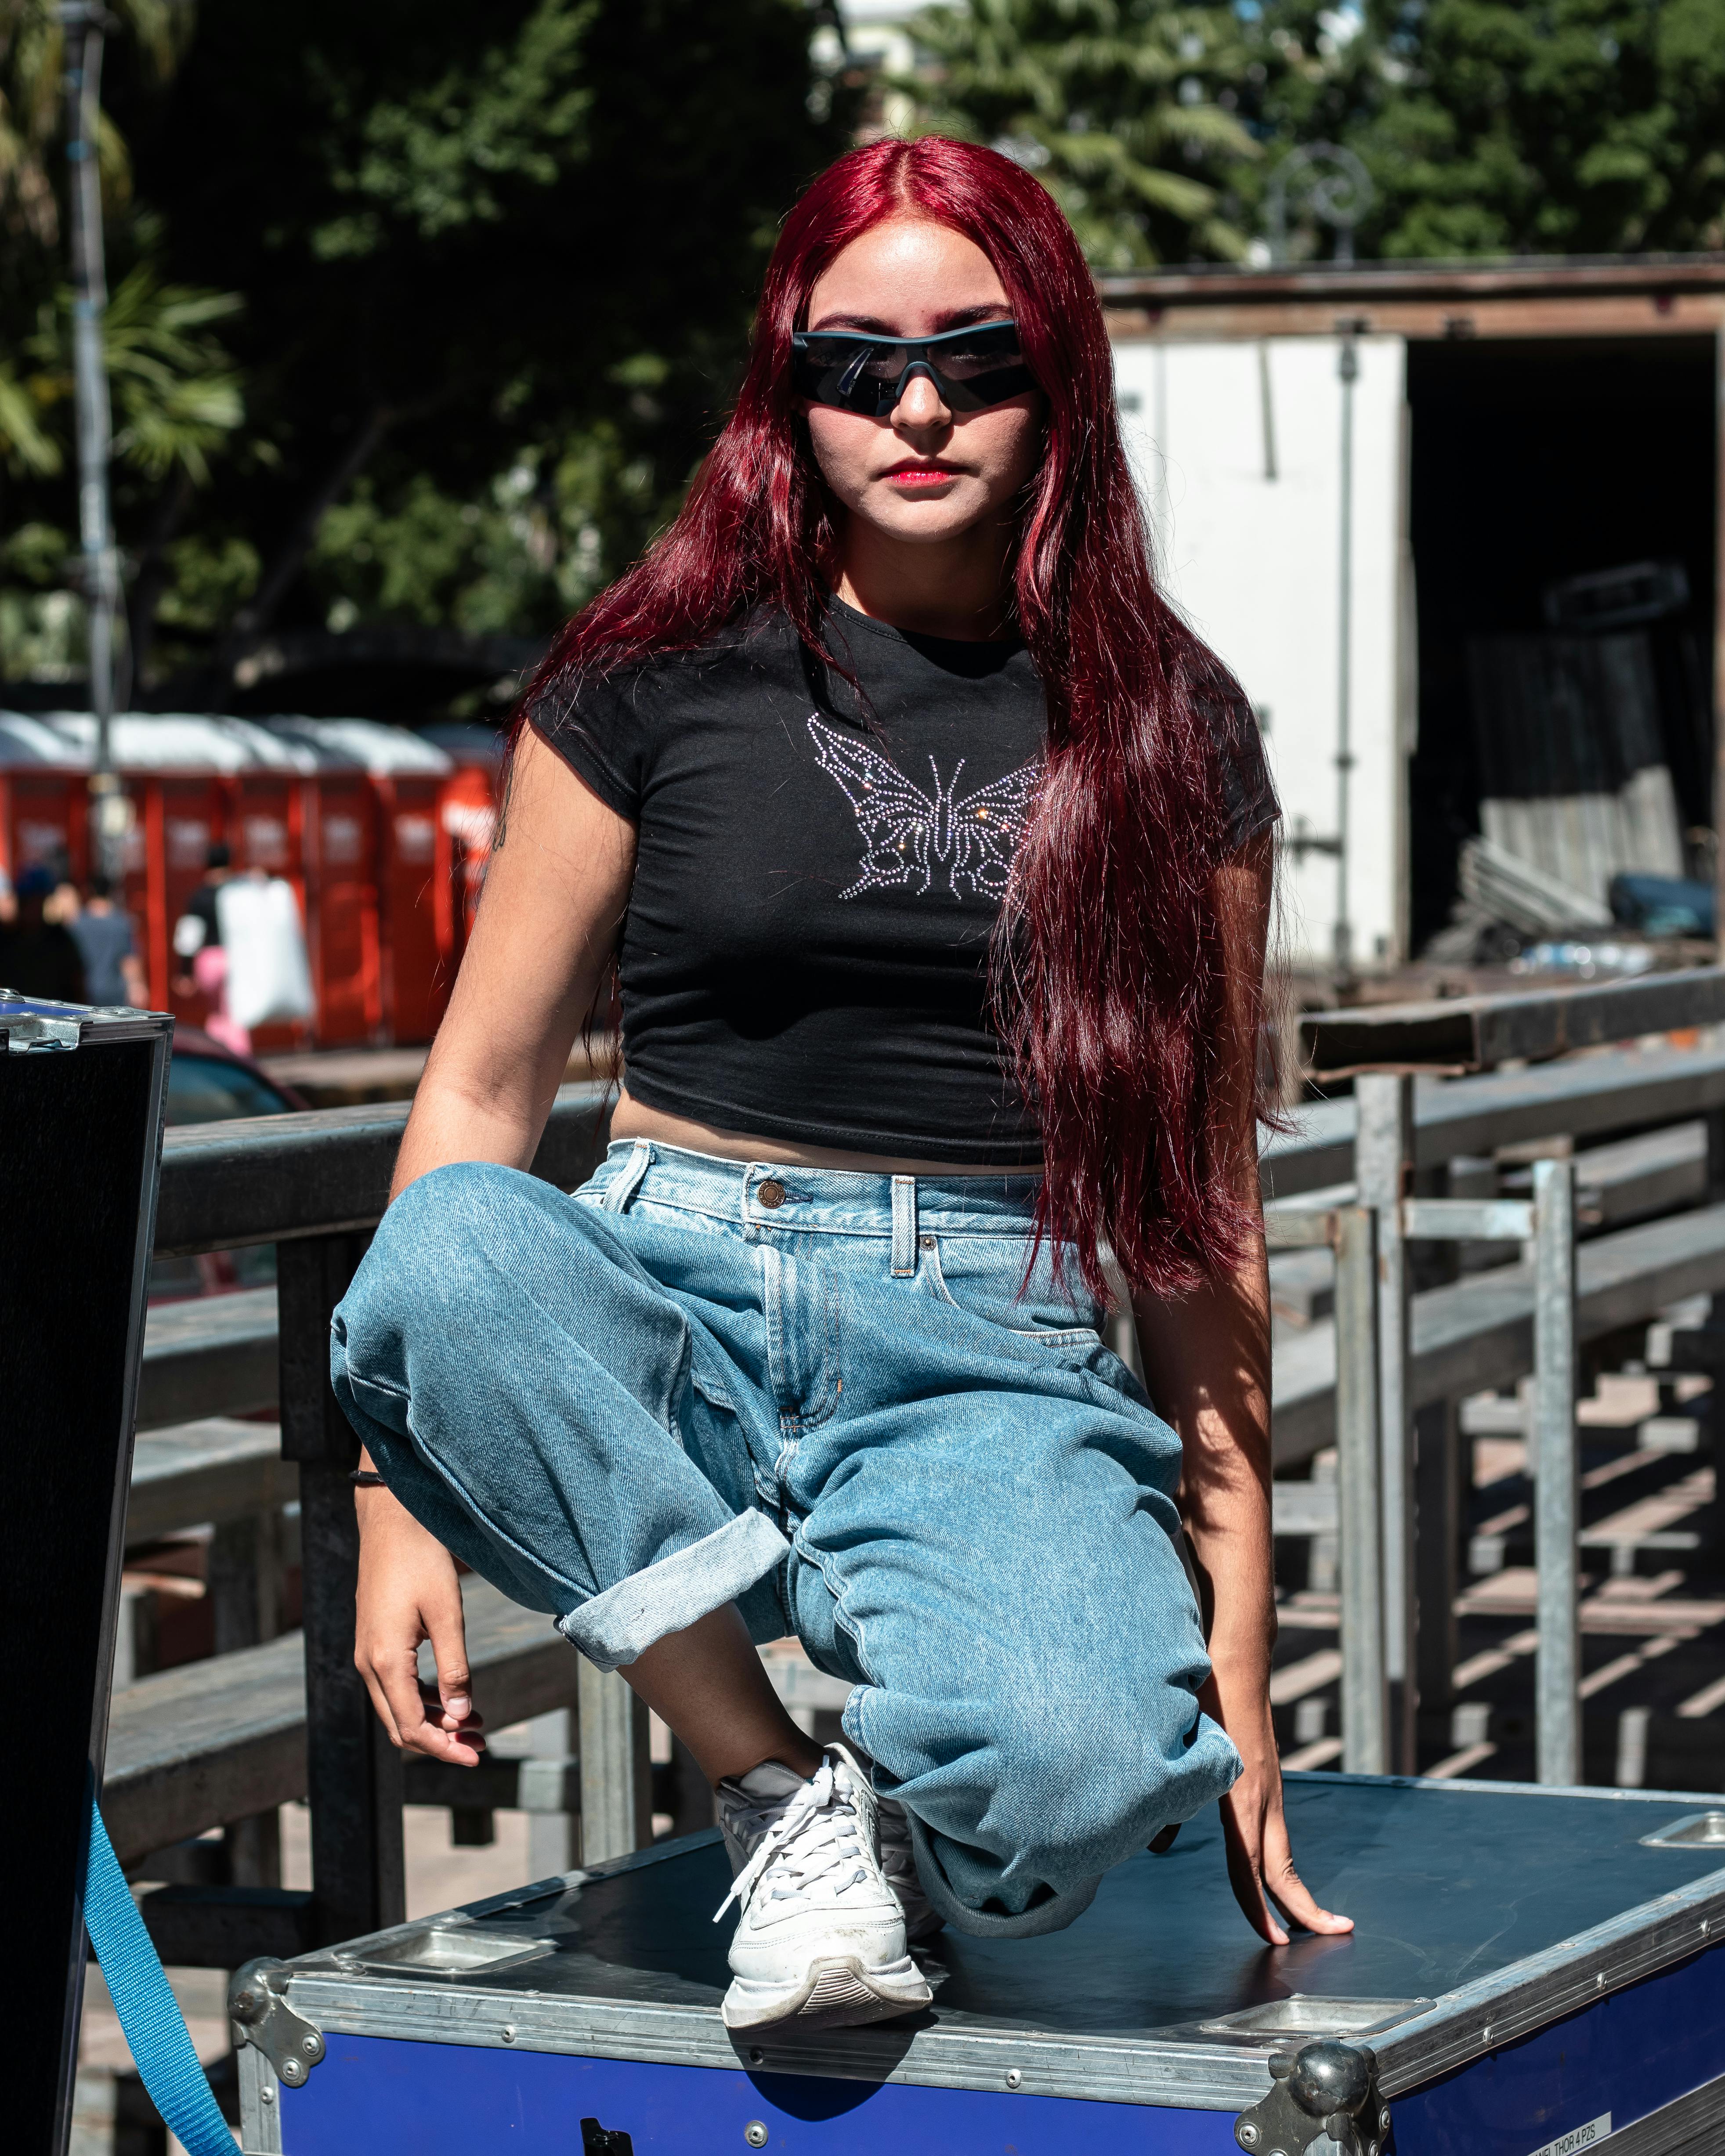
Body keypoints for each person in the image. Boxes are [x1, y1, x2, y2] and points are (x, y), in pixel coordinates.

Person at [331, 136, 1350, 2037]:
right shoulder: (643, 679)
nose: (917, 401)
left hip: (989, 1335)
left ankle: (893, 1808)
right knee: (456, 1245)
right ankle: (775, 1790)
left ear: (1058, 378)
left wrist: (1240, 1672)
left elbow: (1202, 1217)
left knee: (1075, 1779)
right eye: (855, 359)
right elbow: (479, 1082)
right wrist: (408, 1494)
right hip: (674, 1290)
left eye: (976, 353)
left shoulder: (1167, 727)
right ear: (781, 390)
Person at [173, 841, 249, 1053]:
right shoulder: (240, 893)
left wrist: (185, 971)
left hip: (209, 960)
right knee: (235, 1013)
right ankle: (240, 1058)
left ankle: (217, 1054)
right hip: (237, 958)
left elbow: (189, 936)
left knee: (216, 1013)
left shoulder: (200, 896)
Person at [0, 863, 88, 1002]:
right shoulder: (6, 940)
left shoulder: (59, 939)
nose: (31, 909)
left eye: (36, 901)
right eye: (27, 902)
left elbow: (77, 982)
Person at [69, 871, 148, 1007]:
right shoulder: (122, 923)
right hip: (114, 991)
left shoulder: (77, 924)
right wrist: (137, 985)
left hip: (86, 990)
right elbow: (129, 960)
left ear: (89, 891)